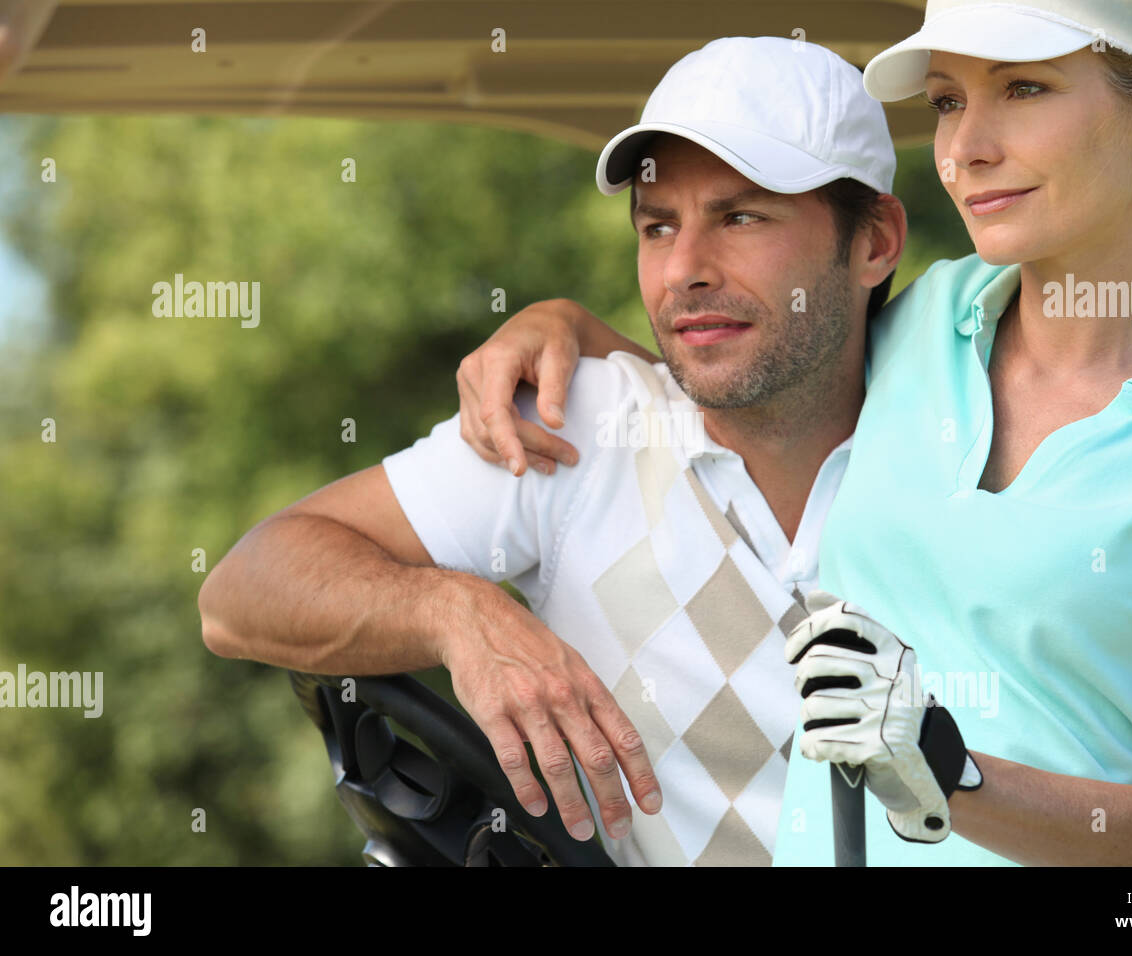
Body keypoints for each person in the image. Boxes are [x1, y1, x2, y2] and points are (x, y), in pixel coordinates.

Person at [456, 0, 1132, 866]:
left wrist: (941, 767)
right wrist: (563, 324)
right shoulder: (935, 319)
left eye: (1022, 89)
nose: (966, 147)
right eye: (946, 102)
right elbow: (744, 358)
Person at [198, 35, 911, 865]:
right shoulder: (578, 426)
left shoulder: (975, 423)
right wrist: (458, 613)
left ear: (874, 243)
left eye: (742, 216)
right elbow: (241, 589)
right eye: (657, 226)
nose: (683, 270)